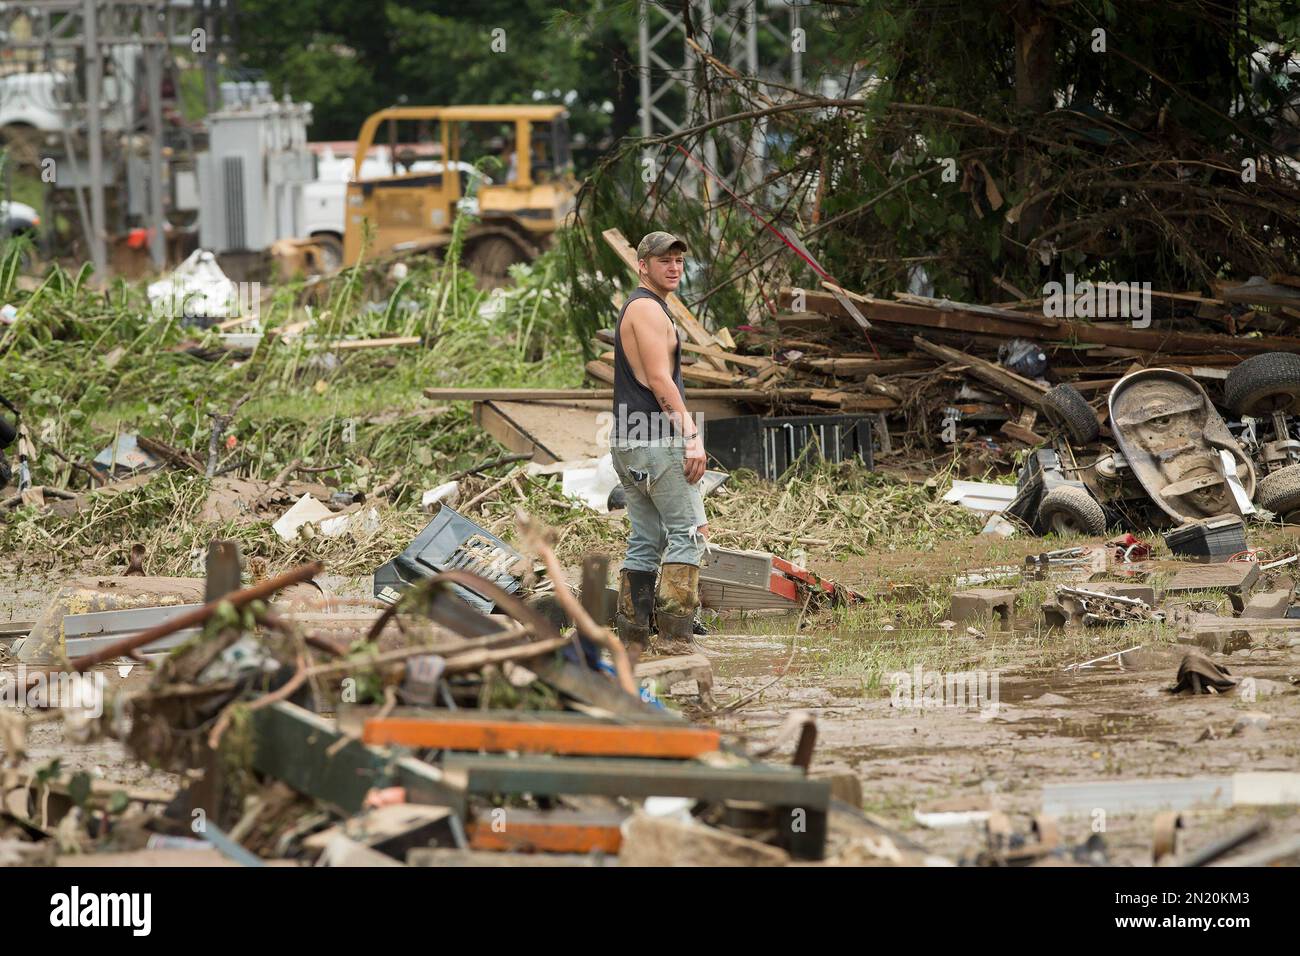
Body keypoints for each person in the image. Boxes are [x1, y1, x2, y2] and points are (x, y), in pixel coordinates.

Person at [610, 231, 708, 660]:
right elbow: (659, 379)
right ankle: (675, 640)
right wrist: (691, 435)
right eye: (663, 260)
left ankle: (632, 639)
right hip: (655, 439)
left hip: (628, 440)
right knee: (690, 533)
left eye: (679, 261)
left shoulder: (642, 308)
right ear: (642, 265)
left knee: (646, 538)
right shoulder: (648, 309)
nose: (673, 267)